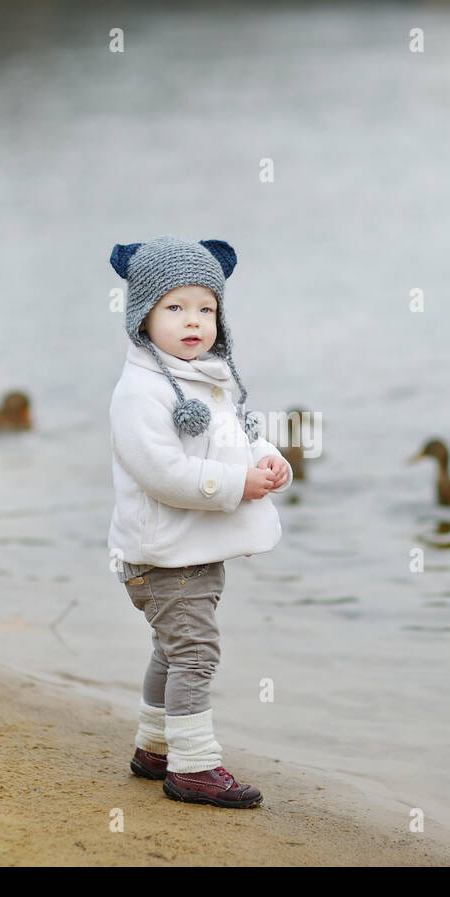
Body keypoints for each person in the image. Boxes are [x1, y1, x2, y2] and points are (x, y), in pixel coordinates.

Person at [107, 235, 292, 808]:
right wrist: (236, 485)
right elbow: (162, 472)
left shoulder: (204, 376)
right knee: (194, 653)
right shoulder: (141, 391)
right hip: (162, 556)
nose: (194, 322)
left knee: (171, 650)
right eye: (175, 308)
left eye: (206, 309)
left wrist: (267, 458)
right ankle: (192, 766)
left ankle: (155, 748)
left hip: (187, 551)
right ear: (143, 317)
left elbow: (235, 432)